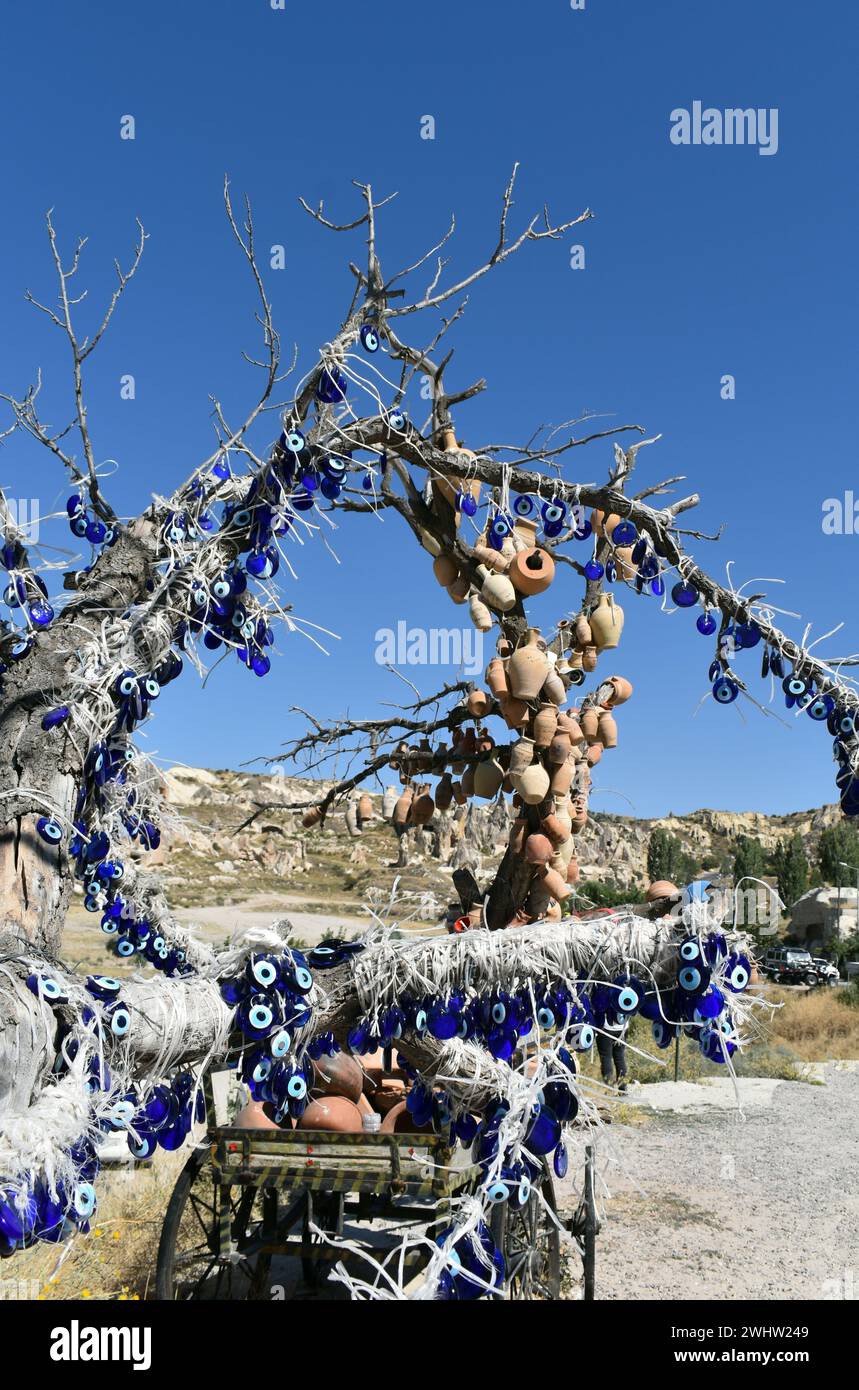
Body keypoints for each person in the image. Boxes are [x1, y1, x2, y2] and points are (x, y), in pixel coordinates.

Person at [597, 1016, 628, 1092]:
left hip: (606, 1027)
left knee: (606, 1058)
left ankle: (610, 1089)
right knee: (620, 1058)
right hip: (622, 1027)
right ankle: (623, 1088)